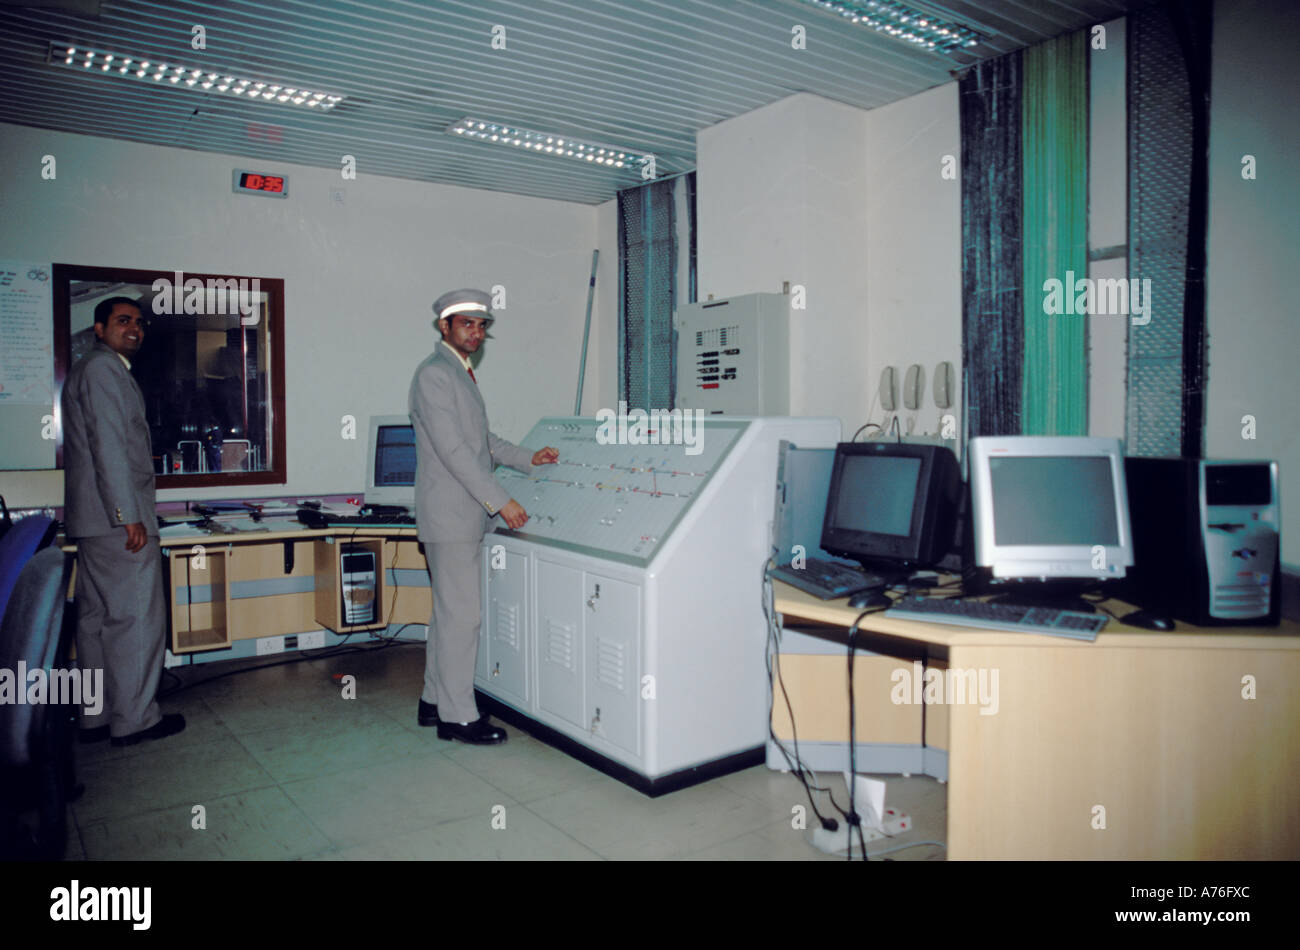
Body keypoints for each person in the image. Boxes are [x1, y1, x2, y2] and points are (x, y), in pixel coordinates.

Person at [409, 288, 558, 744]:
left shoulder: (459, 373)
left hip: (462, 516)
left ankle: (433, 701)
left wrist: (531, 458)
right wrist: (501, 500)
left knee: (448, 615)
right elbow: (456, 453)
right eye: (467, 324)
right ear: (445, 326)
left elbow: (483, 442)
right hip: (452, 517)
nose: (476, 332)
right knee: (463, 617)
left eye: (481, 325)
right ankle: (458, 717)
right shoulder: (435, 376)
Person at [62, 297, 185, 747]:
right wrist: (127, 516)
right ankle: (134, 720)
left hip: (93, 523)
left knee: (95, 620)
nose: (134, 329)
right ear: (99, 328)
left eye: (139, 322)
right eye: (122, 321)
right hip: (116, 522)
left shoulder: (93, 369)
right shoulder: (103, 371)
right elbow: (110, 448)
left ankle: (96, 717)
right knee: (134, 619)